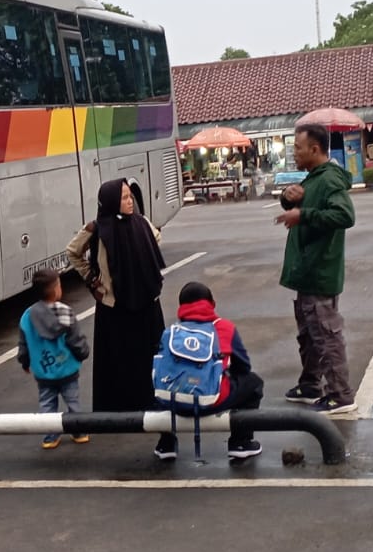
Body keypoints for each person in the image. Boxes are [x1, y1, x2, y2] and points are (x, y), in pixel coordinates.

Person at [275, 121, 358, 415]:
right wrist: (289, 198)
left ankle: (340, 394)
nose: (294, 153)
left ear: (315, 149)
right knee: (309, 334)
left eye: (298, 148)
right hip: (307, 273)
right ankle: (311, 384)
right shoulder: (314, 178)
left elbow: (344, 214)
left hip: (319, 271)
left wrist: (304, 214)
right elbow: (297, 201)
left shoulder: (329, 180)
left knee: (325, 334)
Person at [66, 179, 166, 412]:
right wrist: (91, 278)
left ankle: (151, 400)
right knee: (119, 358)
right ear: (111, 200)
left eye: (130, 196)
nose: (130, 201)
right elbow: (73, 251)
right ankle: (119, 407)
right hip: (114, 305)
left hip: (147, 301)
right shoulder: (98, 228)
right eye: (124, 198)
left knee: (148, 355)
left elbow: (156, 239)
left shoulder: (141, 223)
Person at [152, 281, 265, 460]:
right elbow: (243, 366)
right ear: (212, 304)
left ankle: (166, 445)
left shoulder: (170, 332)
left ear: (181, 307)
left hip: (172, 404)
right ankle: (240, 442)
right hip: (209, 402)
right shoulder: (224, 328)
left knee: (161, 383)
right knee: (253, 382)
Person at [16, 268, 91, 449]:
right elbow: (75, 340)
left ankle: (50, 436)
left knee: (47, 404)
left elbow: (23, 343)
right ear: (56, 289)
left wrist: (25, 362)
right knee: (73, 402)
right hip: (67, 369)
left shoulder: (27, 316)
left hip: (43, 371)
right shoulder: (66, 313)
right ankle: (78, 431)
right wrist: (83, 353)